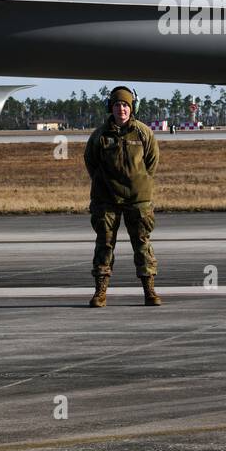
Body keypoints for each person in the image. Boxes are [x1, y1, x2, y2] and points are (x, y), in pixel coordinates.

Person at [83, 86, 162, 307]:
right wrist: (104, 183)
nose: (122, 109)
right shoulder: (99, 135)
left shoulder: (143, 132)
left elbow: (151, 163)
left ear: (131, 108)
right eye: (118, 105)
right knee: (104, 245)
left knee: (142, 244)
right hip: (106, 200)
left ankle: (150, 291)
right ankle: (100, 292)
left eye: (125, 105)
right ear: (111, 108)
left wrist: (139, 182)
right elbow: (91, 162)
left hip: (138, 199)